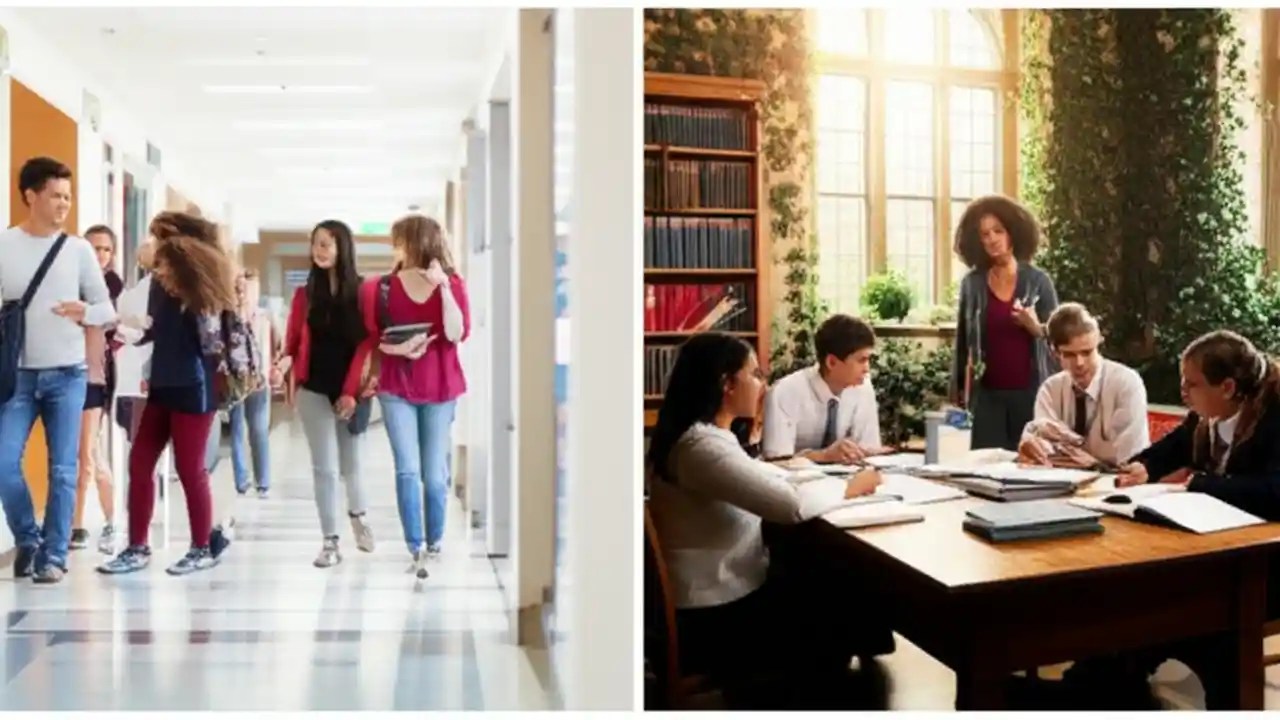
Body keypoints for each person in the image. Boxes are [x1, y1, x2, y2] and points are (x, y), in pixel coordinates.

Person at [646, 332, 883, 705]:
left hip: (719, 596)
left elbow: (764, 476)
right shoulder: (701, 448)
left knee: (832, 583)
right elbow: (790, 506)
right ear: (727, 384)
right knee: (837, 596)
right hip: (713, 617)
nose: (763, 385)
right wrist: (849, 488)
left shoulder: (705, 438)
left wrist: (805, 466)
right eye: (755, 374)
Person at [98, 211, 237, 576]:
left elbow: (209, 340)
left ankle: (202, 546)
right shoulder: (159, 284)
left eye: (160, 239)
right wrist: (127, 331)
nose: (154, 247)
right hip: (162, 383)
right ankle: (137, 546)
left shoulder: (203, 282)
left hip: (195, 386)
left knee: (190, 469)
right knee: (140, 462)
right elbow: (156, 329)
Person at [0, 157, 115, 583]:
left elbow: (107, 309)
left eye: (68, 196)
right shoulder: (5, 245)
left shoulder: (78, 250)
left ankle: (53, 556)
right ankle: (27, 540)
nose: (64, 204)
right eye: (56, 196)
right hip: (17, 376)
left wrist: (87, 311)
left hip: (68, 374)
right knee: (4, 463)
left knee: (64, 469)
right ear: (31, 196)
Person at [356, 214, 469, 578]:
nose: (395, 248)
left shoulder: (452, 283)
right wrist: (398, 349)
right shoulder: (383, 287)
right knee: (407, 468)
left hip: (440, 387)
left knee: (434, 474)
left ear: (417, 242)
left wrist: (443, 288)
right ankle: (415, 544)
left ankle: (435, 540)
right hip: (396, 386)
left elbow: (456, 333)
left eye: (400, 240)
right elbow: (372, 338)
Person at [278, 220, 376, 568]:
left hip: (352, 391)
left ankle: (358, 516)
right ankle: (330, 542)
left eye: (325, 244)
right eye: (315, 244)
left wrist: (351, 393)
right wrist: (282, 364)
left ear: (341, 249)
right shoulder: (304, 295)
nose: (318, 251)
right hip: (314, 389)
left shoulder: (363, 292)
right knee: (325, 468)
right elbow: (292, 343)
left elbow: (367, 345)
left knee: (352, 464)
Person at [951, 194, 1060, 451]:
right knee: (983, 464)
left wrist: (1035, 328)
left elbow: (1060, 339)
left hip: (1031, 395)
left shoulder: (1038, 281)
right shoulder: (972, 284)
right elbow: (963, 342)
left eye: (998, 231)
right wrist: (957, 392)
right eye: (985, 234)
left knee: (1030, 462)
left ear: (1013, 232)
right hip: (987, 398)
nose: (992, 239)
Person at [1018, 303, 1149, 469]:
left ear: (1098, 343)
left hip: (1116, 480)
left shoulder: (1126, 384)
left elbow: (1132, 462)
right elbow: (1046, 452)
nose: (1079, 363)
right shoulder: (1051, 389)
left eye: (1087, 352)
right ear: (1055, 352)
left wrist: (1095, 466)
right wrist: (1034, 446)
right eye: (1069, 355)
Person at [761, 314, 884, 462]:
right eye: (861, 360)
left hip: (849, 475)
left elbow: (869, 451)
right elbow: (777, 461)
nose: (867, 369)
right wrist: (824, 456)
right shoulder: (784, 393)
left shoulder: (863, 387)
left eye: (868, 360)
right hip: (795, 476)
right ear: (831, 362)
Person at [71, 224, 125, 554]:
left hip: (95, 377)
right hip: (64, 370)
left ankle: (78, 526)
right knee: (87, 452)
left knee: (86, 454)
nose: (100, 254)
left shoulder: (113, 287)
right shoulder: (68, 280)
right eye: (94, 247)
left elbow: (114, 325)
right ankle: (110, 518)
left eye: (106, 249)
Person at [227, 268, 276, 498]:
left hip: (259, 380)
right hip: (235, 379)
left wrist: (271, 371)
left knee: (259, 430)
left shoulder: (264, 317)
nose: (246, 292)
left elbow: (274, 346)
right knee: (237, 429)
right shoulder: (229, 314)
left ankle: (263, 482)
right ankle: (242, 481)